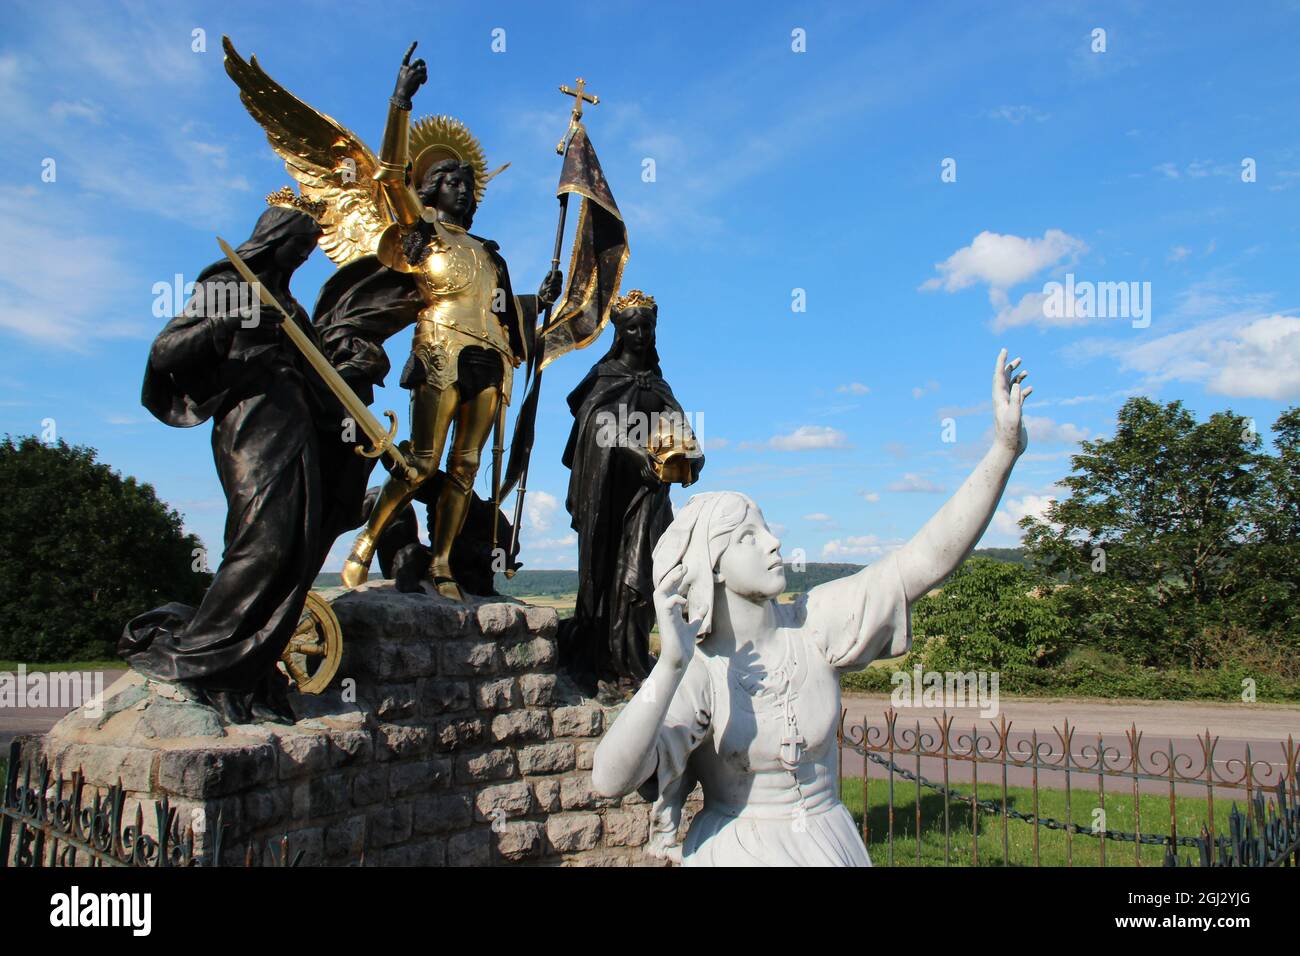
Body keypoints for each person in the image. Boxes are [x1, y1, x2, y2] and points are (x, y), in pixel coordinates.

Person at [592, 350, 1033, 865]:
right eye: (749, 538)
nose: (775, 543)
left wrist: (1002, 451)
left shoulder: (814, 624)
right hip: (738, 850)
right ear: (713, 566)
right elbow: (608, 779)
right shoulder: (700, 671)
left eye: (769, 529)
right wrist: (669, 664)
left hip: (830, 843)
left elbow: (924, 560)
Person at [338, 43, 561, 599]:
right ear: (432, 187)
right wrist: (400, 102)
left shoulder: (490, 251)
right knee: (421, 460)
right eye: (453, 181)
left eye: (469, 183)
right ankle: (366, 543)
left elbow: (502, 307)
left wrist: (538, 301)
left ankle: (441, 561)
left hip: (491, 356)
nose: (465, 188)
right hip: (441, 345)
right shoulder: (423, 231)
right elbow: (389, 175)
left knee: (466, 467)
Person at [119, 202, 343, 725]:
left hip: (297, 426)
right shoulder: (229, 285)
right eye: (297, 246)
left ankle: (250, 670)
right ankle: (208, 656)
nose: (302, 258)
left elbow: (322, 378)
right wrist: (225, 323)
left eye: (309, 251)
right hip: (249, 426)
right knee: (260, 543)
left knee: (294, 546)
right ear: (272, 239)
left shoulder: (289, 304)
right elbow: (166, 351)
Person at [558, 289, 703, 698]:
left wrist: (691, 455)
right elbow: (592, 428)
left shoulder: (658, 383)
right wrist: (626, 447)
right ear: (620, 332)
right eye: (633, 327)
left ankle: (633, 661)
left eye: (648, 326)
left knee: (643, 577)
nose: (641, 333)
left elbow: (682, 431)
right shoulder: (605, 378)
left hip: (647, 497)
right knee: (605, 576)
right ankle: (601, 659)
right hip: (606, 497)